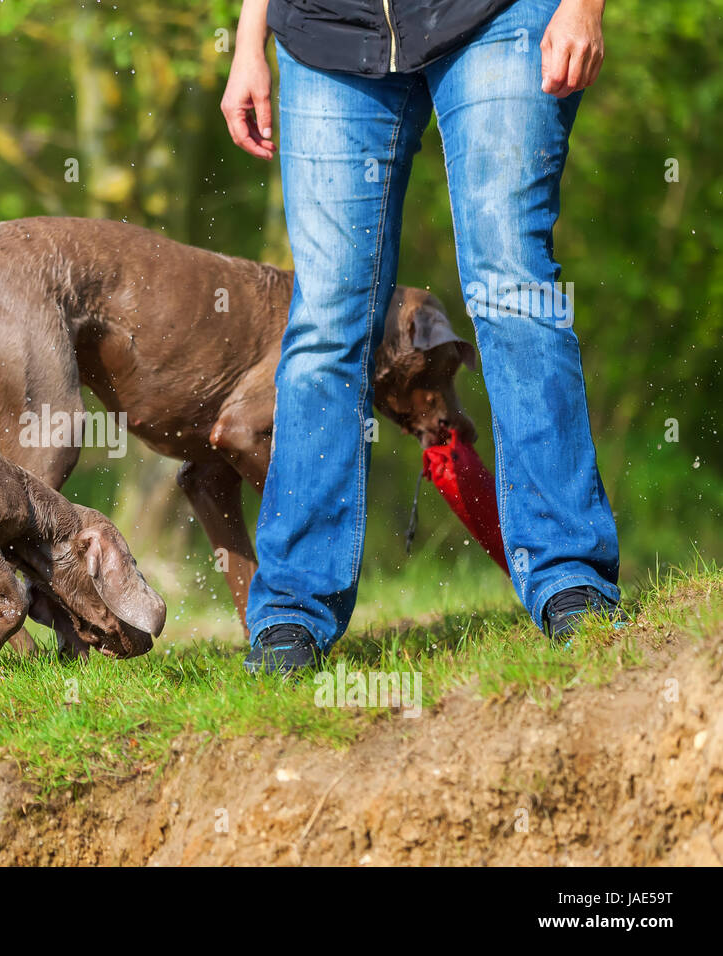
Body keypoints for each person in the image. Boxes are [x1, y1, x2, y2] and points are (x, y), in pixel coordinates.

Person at [221, 0, 624, 675]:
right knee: (326, 324)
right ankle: (293, 610)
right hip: (327, 34)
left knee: (513, 288)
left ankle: (569, 576)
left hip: (496, 17)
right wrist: (247, 41)